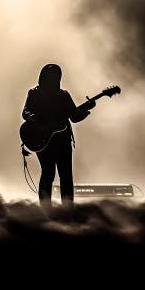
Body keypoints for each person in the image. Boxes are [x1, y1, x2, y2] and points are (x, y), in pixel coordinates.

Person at [22, 63, 93, 211]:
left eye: (56, 76)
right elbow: (25, 112)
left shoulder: (64, 95)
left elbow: (73, 117)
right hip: (43, 139)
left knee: (66, 176)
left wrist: (86, 109)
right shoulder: (34, 93)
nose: (53, 79)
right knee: (48, 173)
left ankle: (68, 210)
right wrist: (37, 119)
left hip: (63, 140)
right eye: (51, 76)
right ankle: (45, 210)